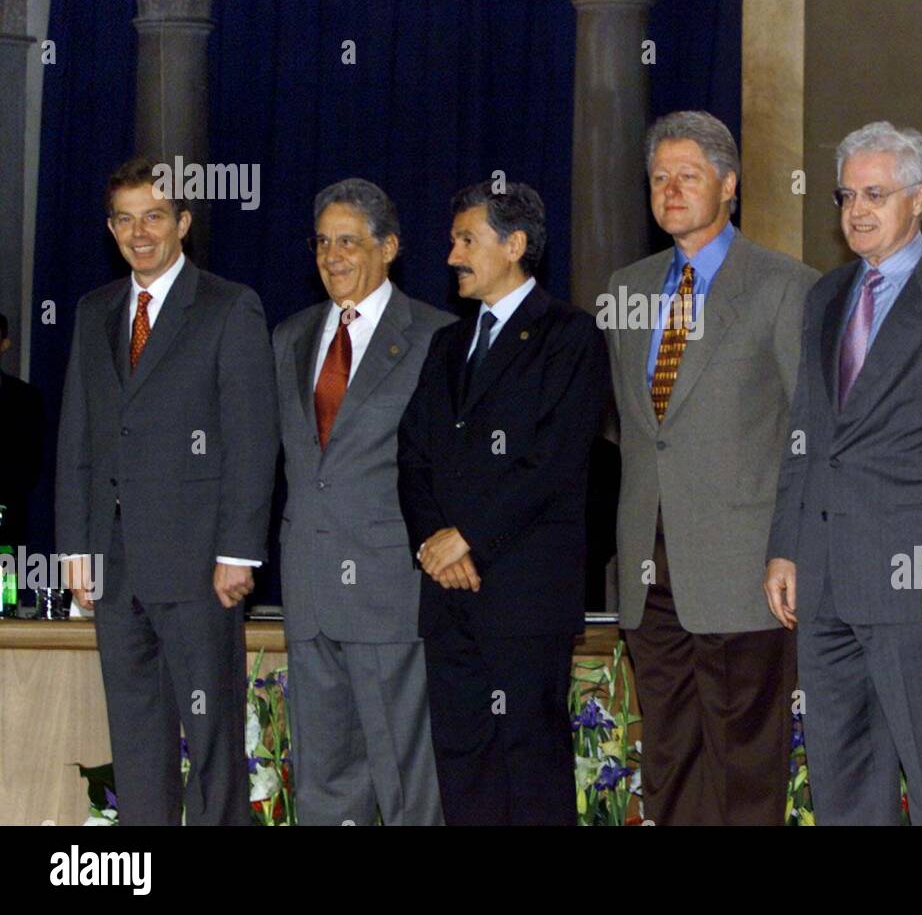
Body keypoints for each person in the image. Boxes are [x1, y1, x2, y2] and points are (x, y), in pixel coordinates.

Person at [764, 121, 922, 825]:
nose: (856, 211)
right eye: (846, 195)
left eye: (875, 193)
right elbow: (807, 435)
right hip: (825, 580)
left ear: (920, 199)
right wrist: (785, 545)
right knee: (843, 787)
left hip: (917, 579)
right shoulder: (827, 295)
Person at [607, 111, 817, 825]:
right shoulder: (627, 288)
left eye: (687, 176)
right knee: (667, 759)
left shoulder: (786, 286)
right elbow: (637, 435)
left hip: (746, 568)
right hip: (649, 570)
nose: (670, 190)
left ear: (728, 185)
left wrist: (790, 545)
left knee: (745, 767)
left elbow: (808, 434)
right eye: (659, 178)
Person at [56, 157, 278, 825]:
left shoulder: (228, 306)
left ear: (183, 222)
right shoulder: (95, 311)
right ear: (110, 229)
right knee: (136, 743)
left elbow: (252, 438)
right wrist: (74, 546)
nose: (139, 232)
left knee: (213, 746)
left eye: (154, 216)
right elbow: (79, 438)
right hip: (115, 564)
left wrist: (240, 551)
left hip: (200, 565)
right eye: (124, 220)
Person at [397, 180, 609, 825]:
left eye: (468, 240)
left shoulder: (570, 336)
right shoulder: (447, 344)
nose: (453, 256)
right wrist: (437, 542)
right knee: (463, 763)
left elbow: (553, 461)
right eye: (454, 240)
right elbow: (413, 456)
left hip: (523, 599)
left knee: (529, 765)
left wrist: (472, 537)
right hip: (449, 597)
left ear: (514, 245)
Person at [273, 178, 452, 825]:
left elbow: (451, 473)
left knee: (406, 782)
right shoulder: (289, 339)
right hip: (309, 591)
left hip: (390, 592)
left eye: (348, 240)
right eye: (322, 241)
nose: (332, 255)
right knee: (324, 784)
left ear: (390, 248)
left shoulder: (437, 338)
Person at [0, 313, 43, 547]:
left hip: (6, 524)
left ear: (4, 344)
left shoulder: (25, 399)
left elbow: (30, 464)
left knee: (3, 583)